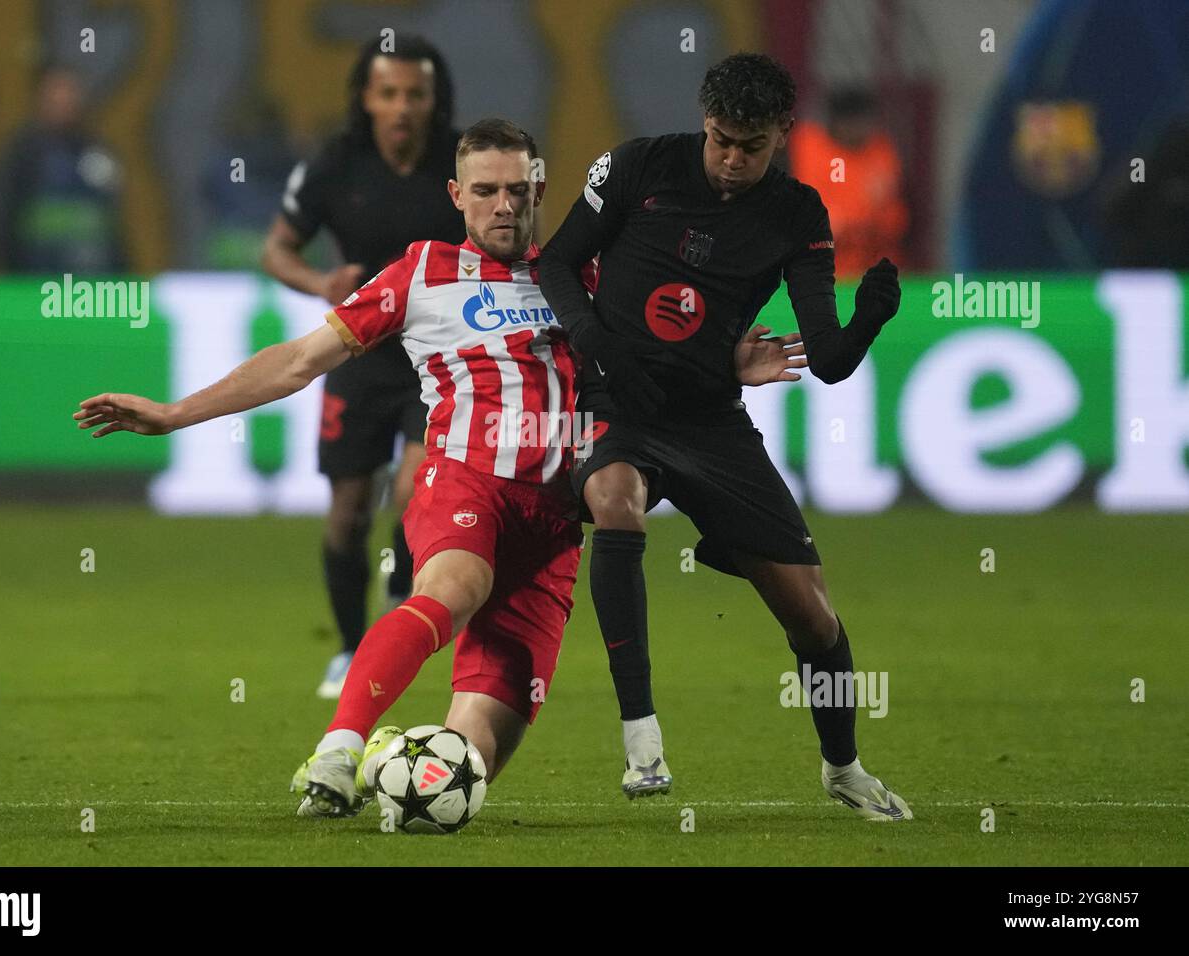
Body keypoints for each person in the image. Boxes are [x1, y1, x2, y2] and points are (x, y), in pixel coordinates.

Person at [73, 118, 805, 818]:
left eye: (517, 189)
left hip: (554, 527)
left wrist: (730, 363)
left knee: (464, 767)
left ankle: (392, 768)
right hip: (465, 481)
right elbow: (298, 362)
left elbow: (668, 359)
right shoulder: (422, 271)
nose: (503, 205)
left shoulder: (590, 275)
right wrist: (173, 413)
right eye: (484, 190)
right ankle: (337, 749)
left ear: (540, 189)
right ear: (457, 196)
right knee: (455, 587)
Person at [538, 53, 913, 820]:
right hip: (621, 404)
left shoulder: (798, 215)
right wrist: (595, 344)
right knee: (615, 500)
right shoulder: (638, 166)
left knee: (813, 618)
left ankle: (843, 767)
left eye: (752, 146)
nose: (733, 161)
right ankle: (641, 736)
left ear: (783, 135)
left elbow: (830, 361)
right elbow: (558, 262)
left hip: (712, 422)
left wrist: (871, 317)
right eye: (720, 141)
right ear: (703, 122)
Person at [261, 36, 464, 699]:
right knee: (348, 512)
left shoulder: (464, 163)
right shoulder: (335, 165)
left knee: (413, 495)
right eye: (389, 94)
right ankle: (349, 647)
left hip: (438, 360)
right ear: (366, 100)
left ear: (436, 102)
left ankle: (396, 615)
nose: (403, 107)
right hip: (358, 351)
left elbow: (513, 236)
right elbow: (277, 250)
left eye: (416, 94)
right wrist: (319, 282)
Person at [0, 64, 125, 274]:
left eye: (68, 93)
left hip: (89, 276)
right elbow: (6, 211)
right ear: (41, 97)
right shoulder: (25, 152)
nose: (62, 100)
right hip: (33, 272)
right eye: (55, 92)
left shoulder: (95, 151)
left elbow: (111, 219)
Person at [787, 87, 908, 278]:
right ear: (837, 122)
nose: (862, 129)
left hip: (874, 269)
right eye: (854, 122)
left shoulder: (880, 150)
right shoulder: (808, 146)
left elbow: (895, 217)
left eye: (866, 122)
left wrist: (859, 222)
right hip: (821, 272)